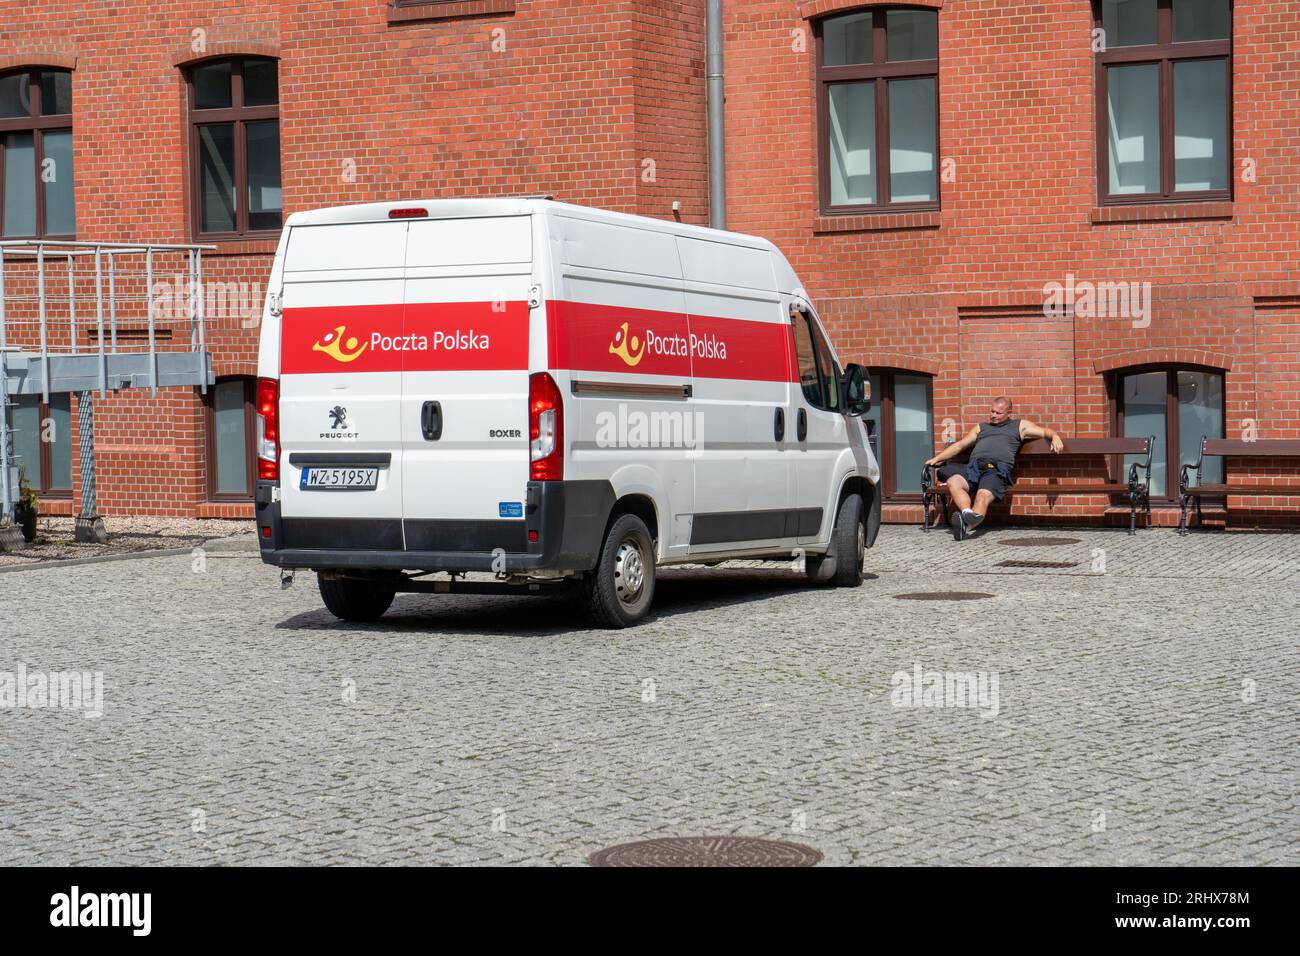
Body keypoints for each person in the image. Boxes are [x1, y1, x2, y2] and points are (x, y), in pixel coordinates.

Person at [924, 397, 1064, 541]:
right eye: (992, 411)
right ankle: (966, 512)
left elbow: (1045, 431)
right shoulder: (981, 427)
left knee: (982, 496)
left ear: (1009, 413)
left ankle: (965, 526)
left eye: (998, 413)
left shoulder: (1019, 426)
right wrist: (937, 459)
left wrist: (1055, 437)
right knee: (954, 480)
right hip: (973, 468)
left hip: (996, 471)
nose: (993, 415)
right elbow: (960, 445)